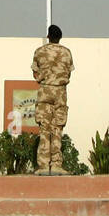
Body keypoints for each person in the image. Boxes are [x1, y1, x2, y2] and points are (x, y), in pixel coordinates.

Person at [31, 24, 74, 175]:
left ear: (48, 36)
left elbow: (35, 75)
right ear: (60, 37)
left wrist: (44, 78)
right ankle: (56, 165)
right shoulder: (67, 53)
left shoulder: (39, 52)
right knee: (57, 128)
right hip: (60, 92)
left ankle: (43, 166)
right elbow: (69, 74)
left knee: (44, 128)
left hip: (45, 91)